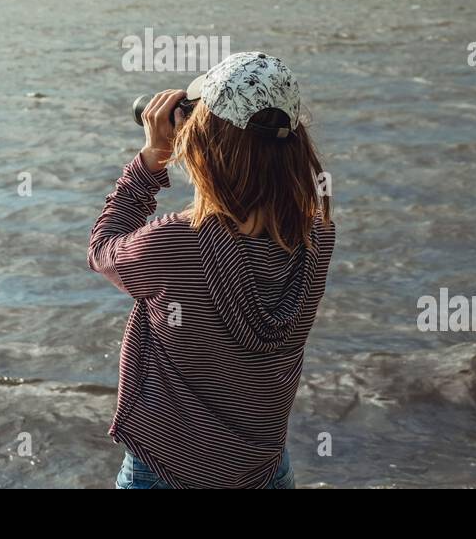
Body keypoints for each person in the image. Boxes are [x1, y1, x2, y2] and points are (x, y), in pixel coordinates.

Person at [88, 51, 335, 488]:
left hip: (167, 469)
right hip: (262, 468)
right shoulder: (315, 237)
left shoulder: (175, 243)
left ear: (205, 140)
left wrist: (150, 161)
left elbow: (103, 251)